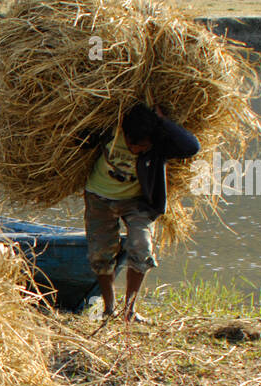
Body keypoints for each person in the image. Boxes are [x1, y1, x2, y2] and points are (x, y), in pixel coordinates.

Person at [79, 102, 199, 323]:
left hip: (137, 203)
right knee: (100, 254)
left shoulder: (158, 142)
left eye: (143, 147)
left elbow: (191, 147)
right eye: (134, 145)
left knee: (141, 248)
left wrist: (161, 121)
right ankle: (108, 309)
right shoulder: (109, 131)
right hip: (99, 197)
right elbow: (78, 138)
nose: (138, 150)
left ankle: (129, 311)